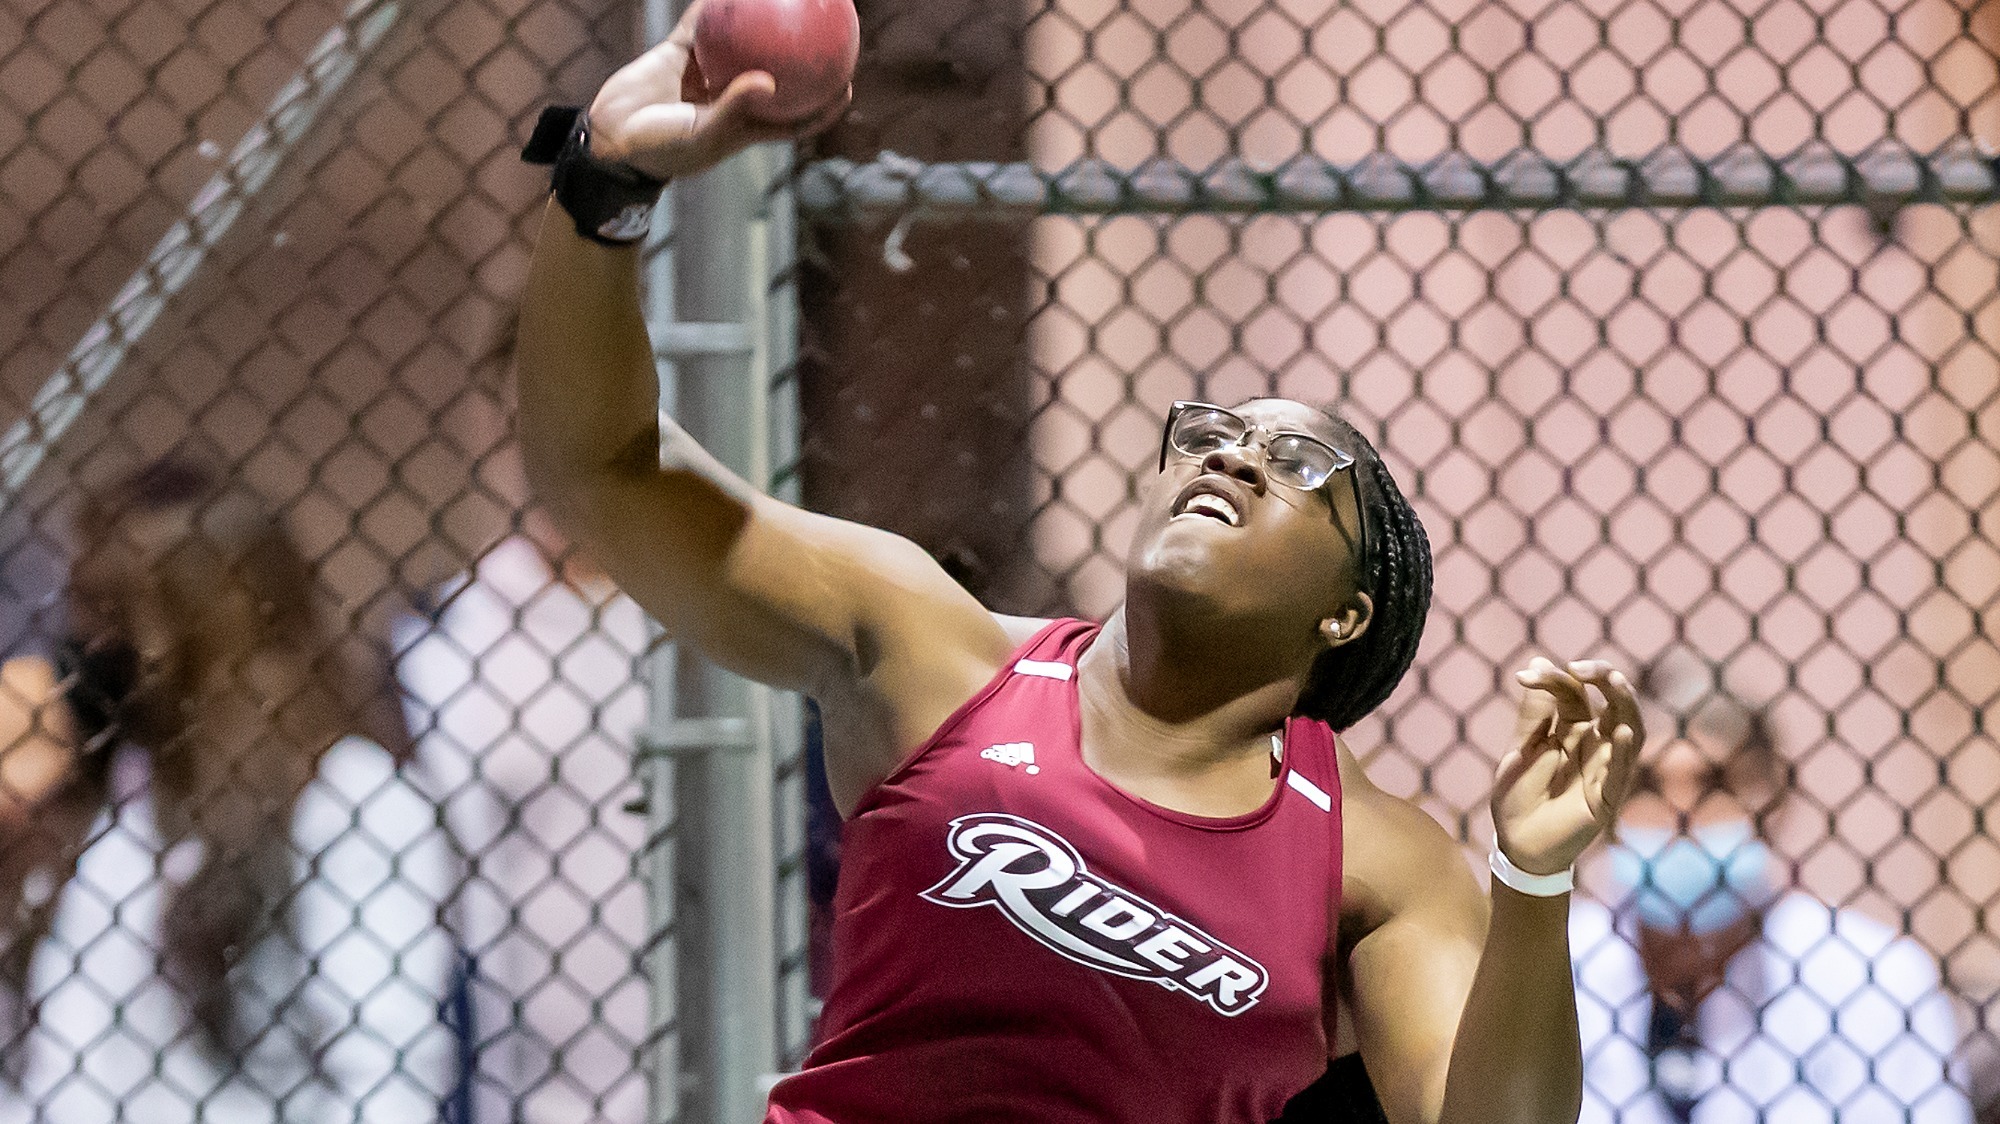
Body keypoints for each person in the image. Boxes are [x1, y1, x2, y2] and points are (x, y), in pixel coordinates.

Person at [513, 11, 1646, 1121]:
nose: (1232, 457)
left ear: (1347, 612)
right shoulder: (933, 656)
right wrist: (606, 183)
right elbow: (604, 468)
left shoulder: (1377, 857)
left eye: (1300, 462)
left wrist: (1533, 878)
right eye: (1209, 433)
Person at [0, 459, 457, 1123]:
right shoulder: (124, 791)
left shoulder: (348, 800)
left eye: (112, 615)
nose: (86, 648)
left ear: (197, 628)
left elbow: (388, 1074)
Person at [1571, 654, 1971, 1124]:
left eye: (1714, 784)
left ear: (1774, 803)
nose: (1679, 819)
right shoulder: (1558, 972)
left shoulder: (1878, 981)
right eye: (1646, 785)